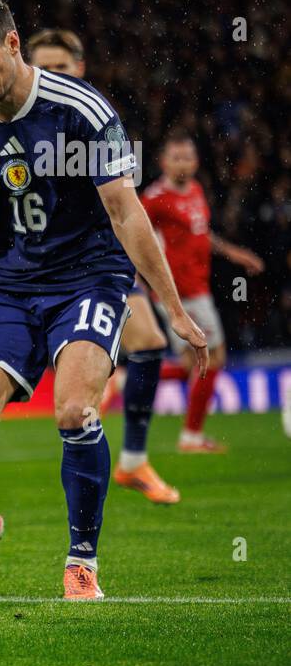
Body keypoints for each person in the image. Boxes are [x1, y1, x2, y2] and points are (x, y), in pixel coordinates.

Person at [0, 0, 207, 601]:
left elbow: (126, 213)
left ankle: (82, 562)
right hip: (6, 285)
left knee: (75, 412)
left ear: (12, 44)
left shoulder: (81, 110)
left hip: (89, 277)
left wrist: (174, 308)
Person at [141, 135, 265, 452]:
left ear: (195, 162)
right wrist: (140, 286)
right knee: (215, 357)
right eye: (176, 157)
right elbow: (136, 243)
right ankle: (191, 437)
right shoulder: (154, 199)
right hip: (182, 293)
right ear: (163, 162)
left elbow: (200, 234)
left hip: (199, 287)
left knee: (189, 363)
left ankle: (130, 380)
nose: (183, 162)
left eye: (187, 157)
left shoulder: (195, 190)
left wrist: (234, 253)